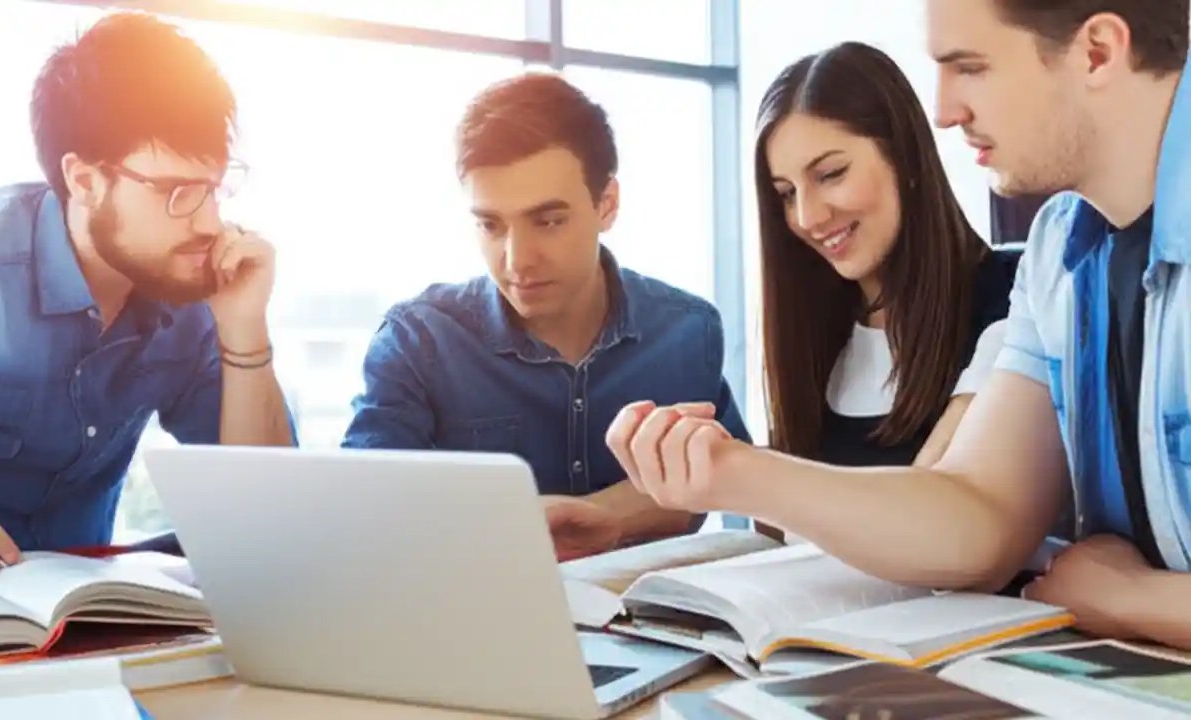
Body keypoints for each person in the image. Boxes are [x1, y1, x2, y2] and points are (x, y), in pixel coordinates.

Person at [607, 0, 1191, 651]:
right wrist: (733, 471)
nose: (942, 111)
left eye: (970, 67)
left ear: (1098, 53)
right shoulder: (1056, 253)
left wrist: (1133, 599)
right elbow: (981, 518)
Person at [0, 12, 294, 581]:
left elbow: (269, 514)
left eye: (213, 188)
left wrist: (244, 329)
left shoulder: (188, 292)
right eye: (178, 192)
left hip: (80, 627)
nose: (211, 221)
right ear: (85, 181)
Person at [342, 73, 751, 560]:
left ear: (608, 204)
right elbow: (363, 515)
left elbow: (728, 477)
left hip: (648, 630)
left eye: (548, 221)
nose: (517, 260)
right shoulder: (418, 341)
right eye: (491, 225)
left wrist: (606, 518)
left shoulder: (686, 330)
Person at [756, 41, 1018, 471]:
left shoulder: (1012, 298)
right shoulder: (813, 335)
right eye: (786, 194)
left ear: (906, 158)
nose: (808, 217)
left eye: (831, 174)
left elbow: (934, 496)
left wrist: (749, 474)